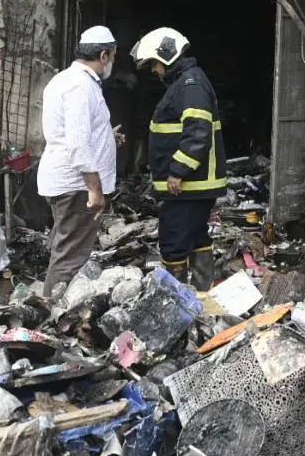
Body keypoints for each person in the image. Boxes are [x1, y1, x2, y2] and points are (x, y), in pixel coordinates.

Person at [132, 27, 227, 289]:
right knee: (196, 236)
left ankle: (175, 303)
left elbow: (197, 133)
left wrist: (177, 171)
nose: (153, 70)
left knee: (173, 243)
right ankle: (201, 294)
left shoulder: (190, 86)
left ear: (167, 56)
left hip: (188, 186)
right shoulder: (186, 83)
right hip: (191, 187)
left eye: (154, 63)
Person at [38, 26, 124, 295]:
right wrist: (95, 190)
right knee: (70, 259)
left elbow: (73, 130)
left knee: (66, 250)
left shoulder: (66, 79)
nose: (111, 62)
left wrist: (105, 137)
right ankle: (51, 319)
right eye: (112, 56)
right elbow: (76, 143)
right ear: (103, 55)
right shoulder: (81, 86)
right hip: (76, 186)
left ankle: (56, 311)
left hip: (70, 183)